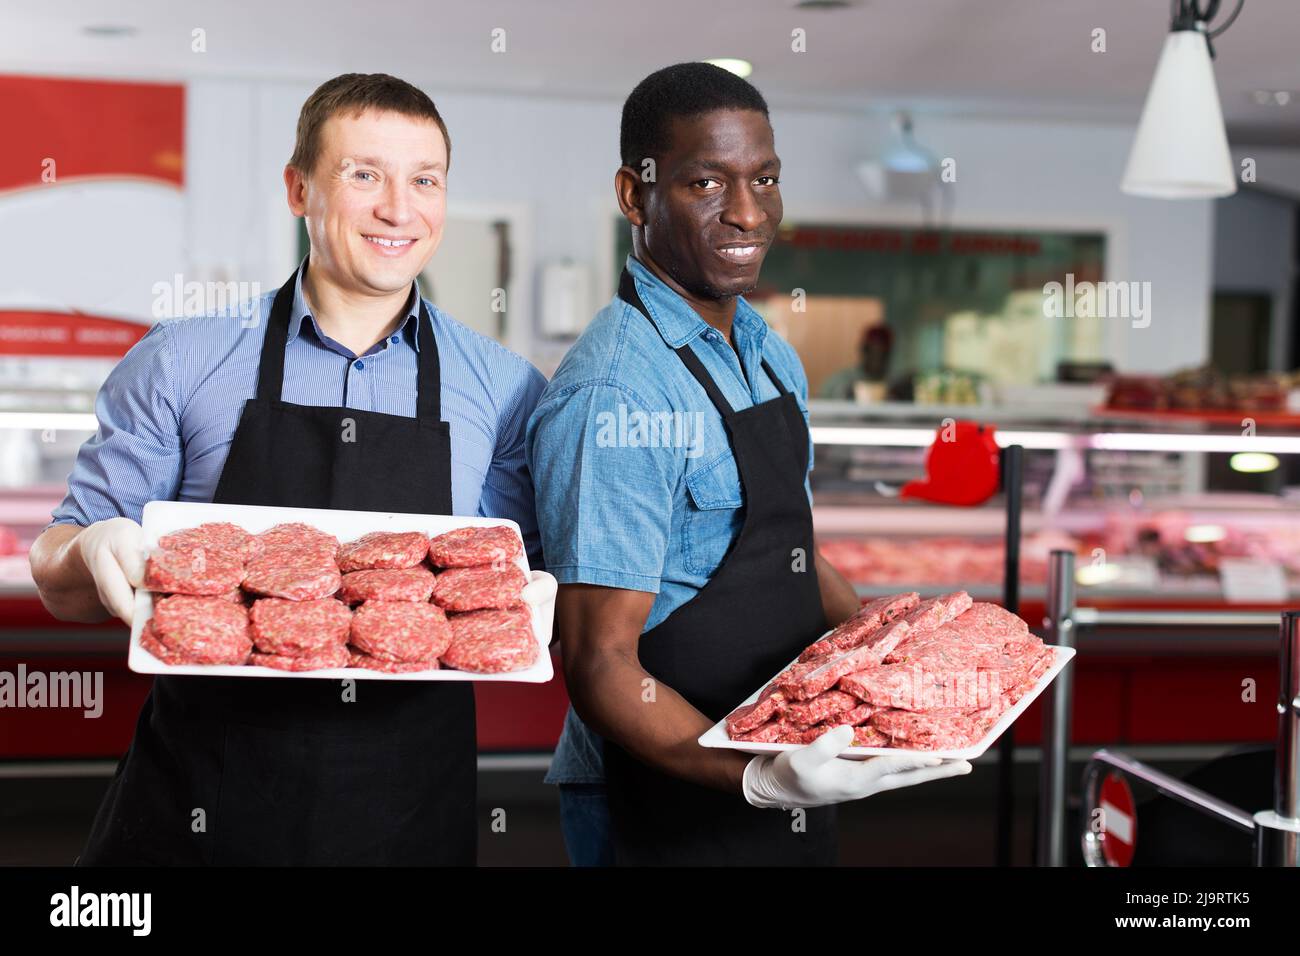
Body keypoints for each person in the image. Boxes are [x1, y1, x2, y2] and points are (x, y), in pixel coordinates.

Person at [29, 73, 555, 866]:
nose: (398, 208)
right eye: (364, 173)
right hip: (201, 801)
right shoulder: (181, 359)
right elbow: (59, 579)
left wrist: (541, 596)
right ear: (298, 187)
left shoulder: (506, 388)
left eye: (425, 180)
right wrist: (90, 545)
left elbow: (511, 586)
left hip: (406, 807)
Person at [526, 63, 970, 867]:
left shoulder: (767, 353)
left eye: (764, 178)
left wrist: (895, 649)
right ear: (635, 196)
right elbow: (598, 661)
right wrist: (760, 776)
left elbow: (781, 546)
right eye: (707, 182)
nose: (747, 210)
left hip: (790, 755)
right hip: (666, 788)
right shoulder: (613, 391)